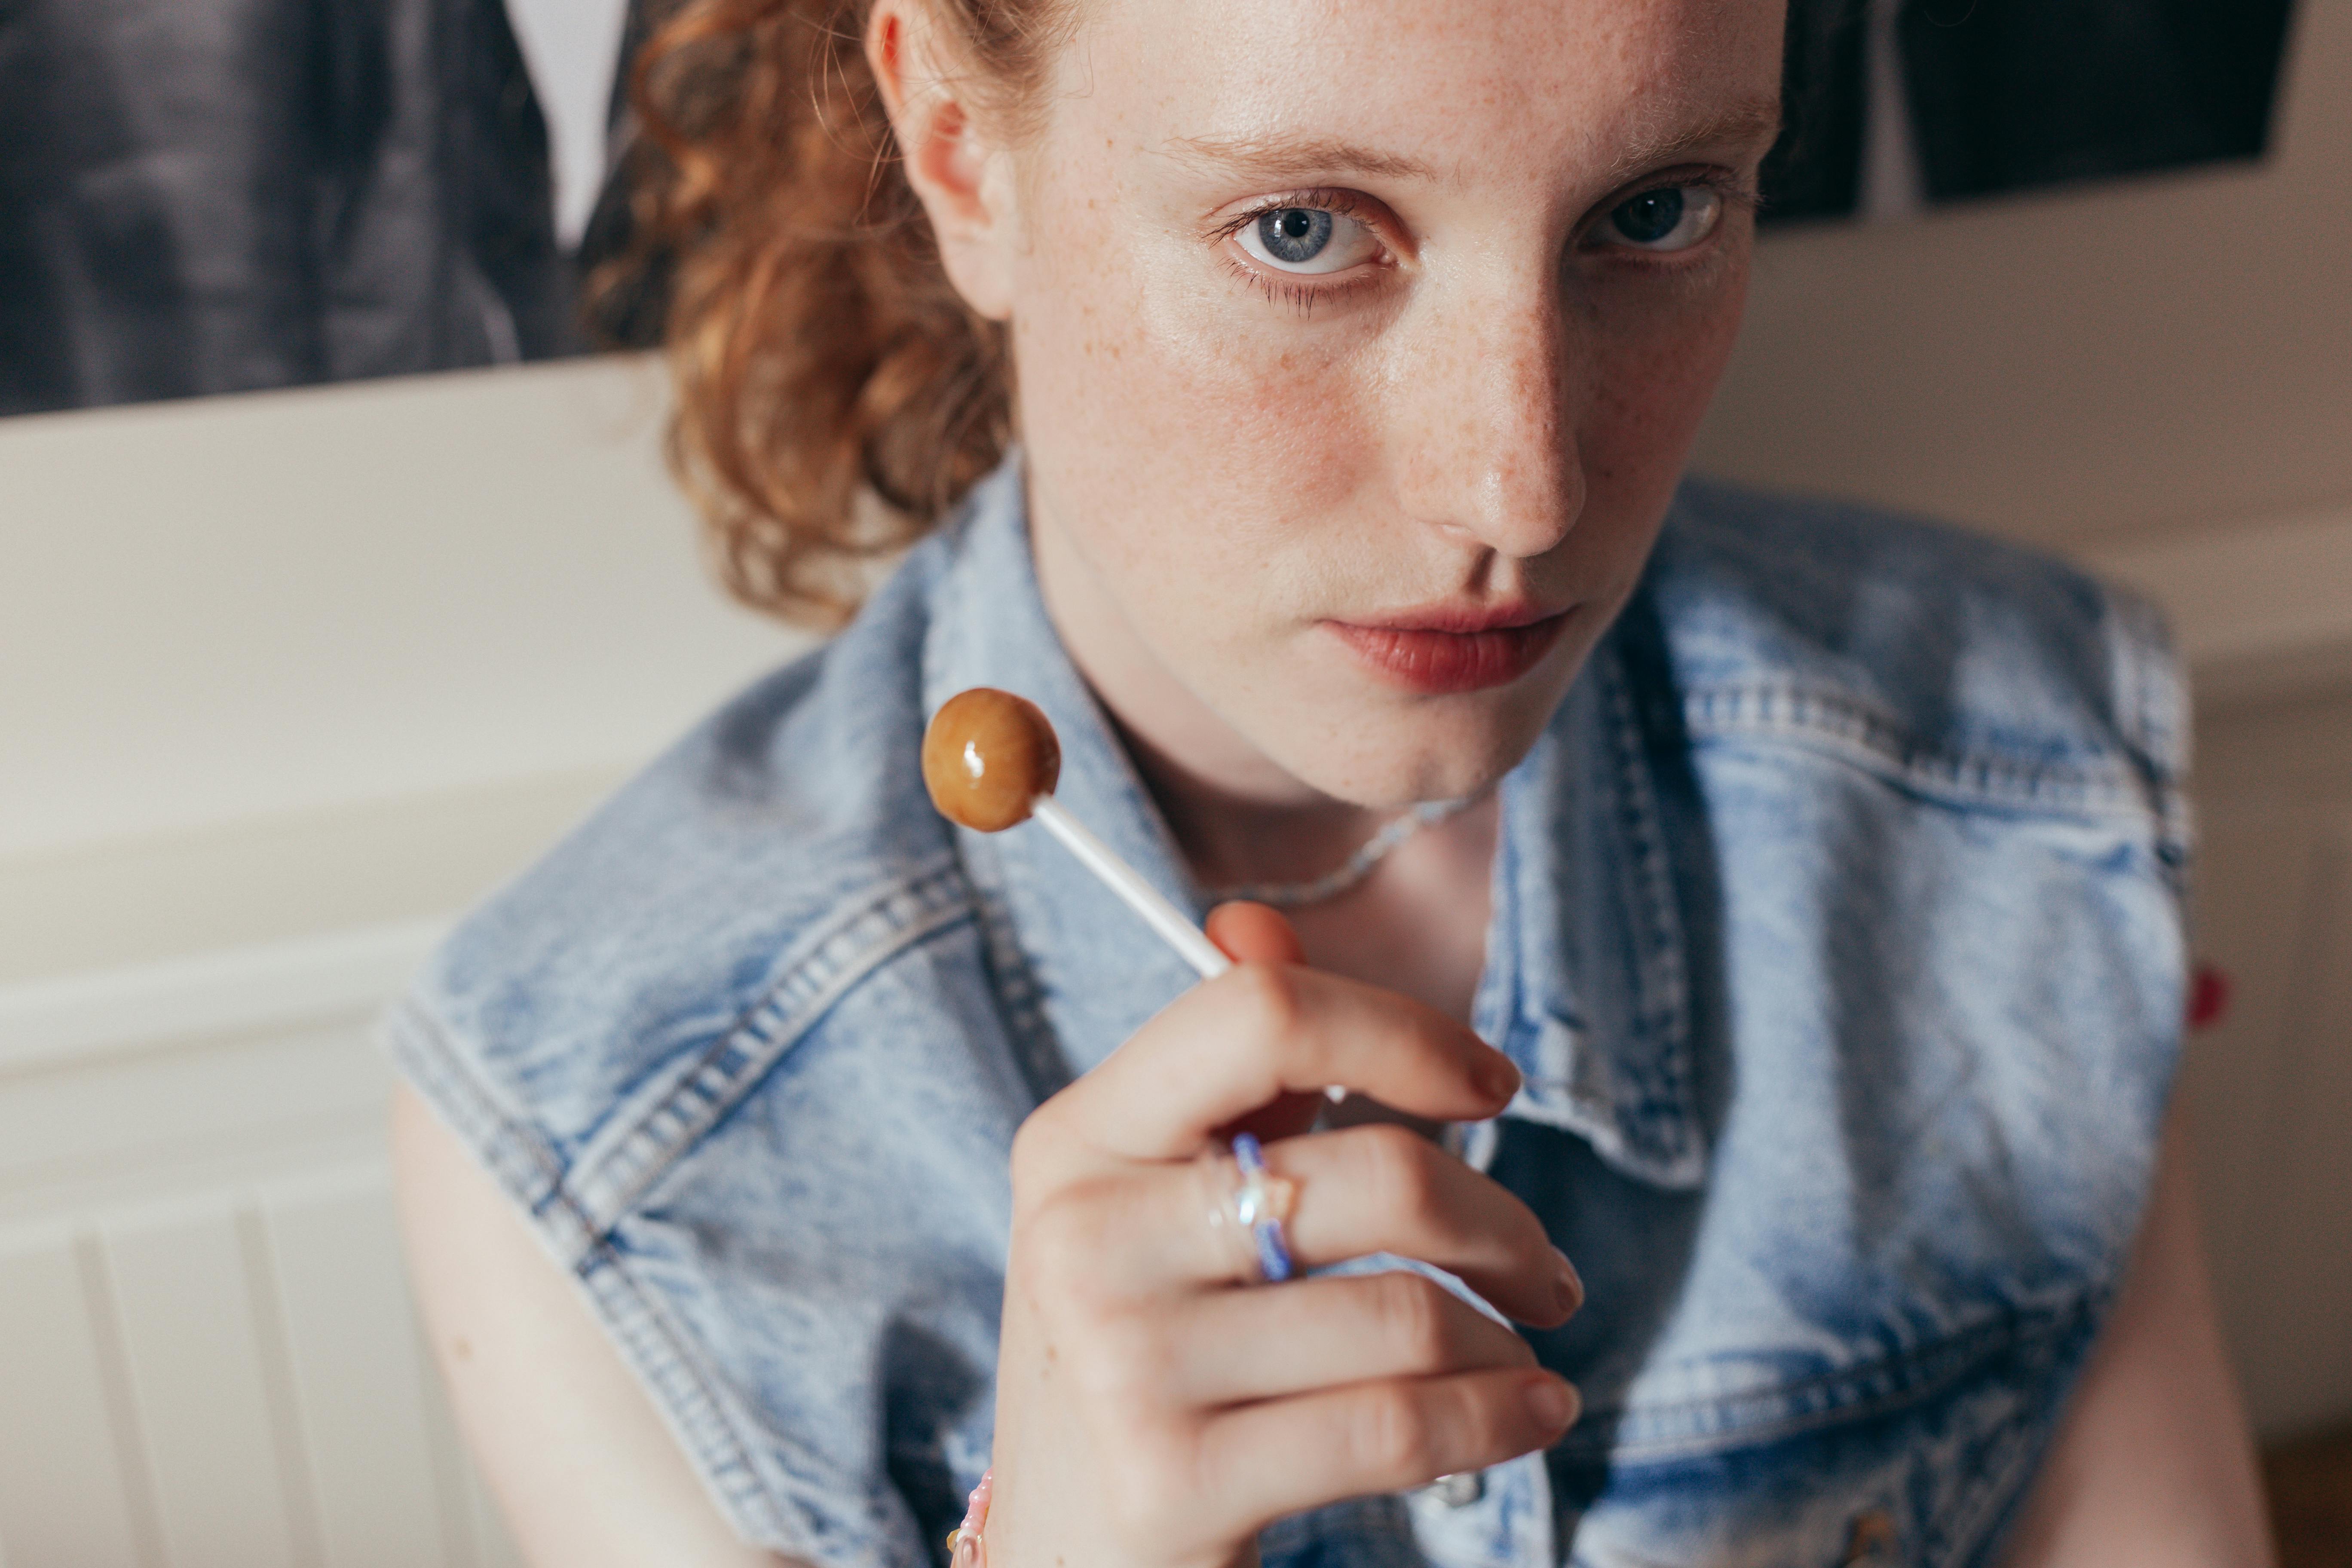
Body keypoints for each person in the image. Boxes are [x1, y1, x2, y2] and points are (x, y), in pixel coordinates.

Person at [385, 0, 2275, 1564]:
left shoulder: (2001, 786)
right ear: (964, 155)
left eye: (1656, 212)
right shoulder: (609, 1118)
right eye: (1302, 228)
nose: (1519, 497)